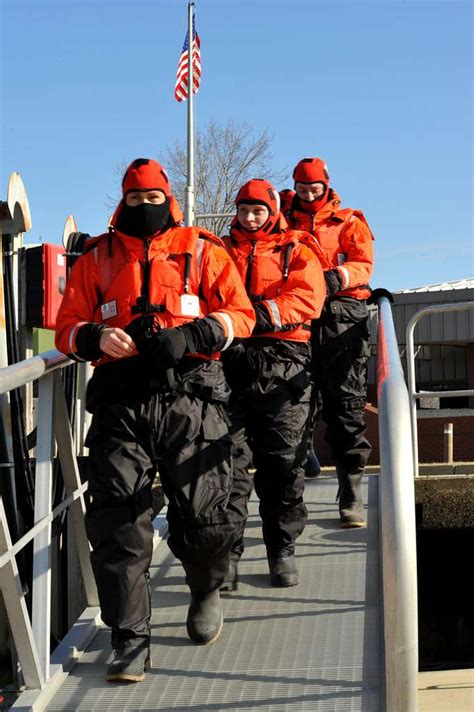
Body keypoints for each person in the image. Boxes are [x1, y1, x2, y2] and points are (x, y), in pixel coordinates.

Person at [55, 158, 255, 682]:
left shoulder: (203, 250)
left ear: (169, 198)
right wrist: (94, 337)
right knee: (119, 520)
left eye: (153, 197)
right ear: (123, 200)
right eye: (135, 198)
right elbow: (66, 325)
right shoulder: (96, 257)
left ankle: (207, 587)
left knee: (206, 514)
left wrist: (194, 335)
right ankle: (128, 637)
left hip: (192, 397)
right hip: (122, 401)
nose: (145, 206)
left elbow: (242, 313)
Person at [221, 178, 326, 590]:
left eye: (258, 210)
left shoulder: (296, 249)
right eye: (244, 210)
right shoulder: (219, 250)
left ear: (271, 211)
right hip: (231, 363)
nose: (250, 217)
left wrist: (257, 314)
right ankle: (226, 556)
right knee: (227, 466)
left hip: (285, 362)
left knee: (283, 464)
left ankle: (281, 549)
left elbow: (308, 298)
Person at [281, 157, 374, 528]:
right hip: (297, 323)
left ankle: (351, 492)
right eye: (302, 189)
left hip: (340, 320)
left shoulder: (349, 222)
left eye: (314, 188)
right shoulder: (283, 223)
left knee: (346, 409)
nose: (308, 194)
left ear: (326, 185)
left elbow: (363, 263)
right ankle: (296, 489)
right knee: (292, 406)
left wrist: (337, 277)